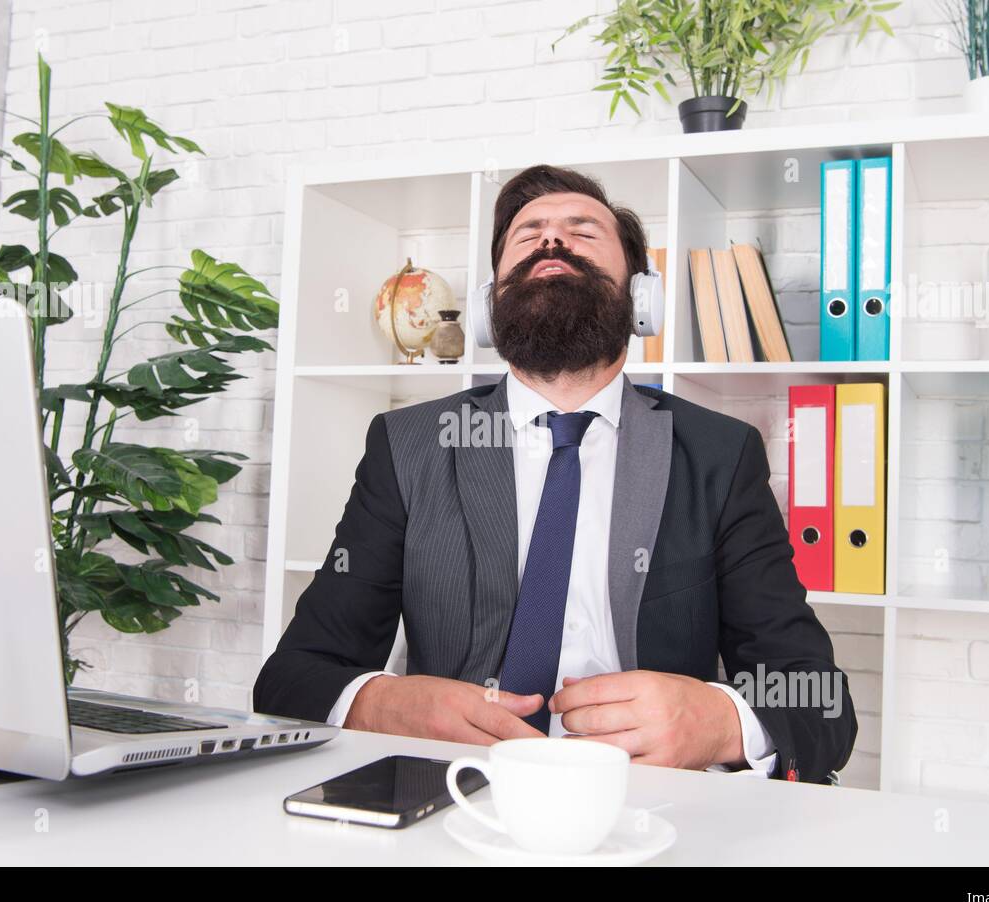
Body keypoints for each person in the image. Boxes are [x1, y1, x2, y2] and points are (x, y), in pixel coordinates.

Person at [253, 163, 856, 781]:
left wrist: (720, 721)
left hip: (653, 803)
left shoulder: (719, 454)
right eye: (529, 234)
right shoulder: (407, 446)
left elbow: (819, 701)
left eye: (583, 231)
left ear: (641, 299)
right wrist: (388, 703)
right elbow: (292, 678)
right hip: (457, 795)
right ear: (492, 304)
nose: (551, 241)